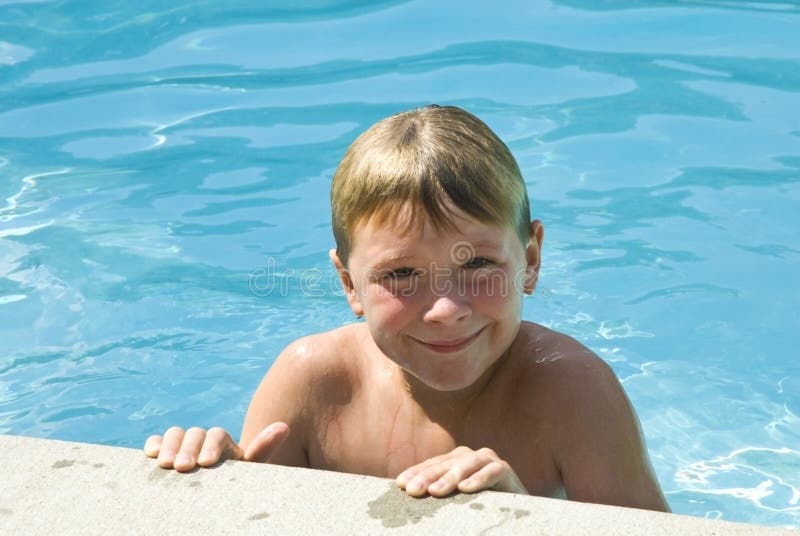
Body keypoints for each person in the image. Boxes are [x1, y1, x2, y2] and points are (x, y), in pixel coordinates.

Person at [144, 105, 670, 511]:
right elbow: (258, 513)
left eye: (479, 264)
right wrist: (218, 477)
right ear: (350, 284)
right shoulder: (313, 386)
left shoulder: (572, 394)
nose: (446, 309)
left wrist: (523, 516)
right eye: (400, 274)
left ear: (530, 261)